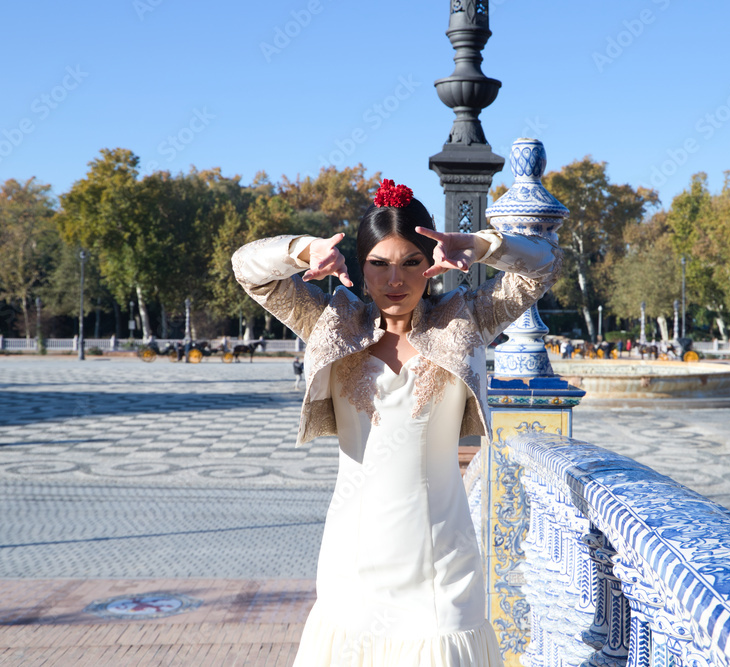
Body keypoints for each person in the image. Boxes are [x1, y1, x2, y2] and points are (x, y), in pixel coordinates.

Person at [232, 179, 561, 667]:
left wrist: (481, 244)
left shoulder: (463, 322)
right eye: (379, 264)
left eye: (411, 263)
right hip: (354, 561)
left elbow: (543, 266)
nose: (395, 281)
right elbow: (247, 268)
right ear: (359, 267)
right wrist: (305, 251)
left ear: (430, 265)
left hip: (442, 565)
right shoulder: (331, 322)